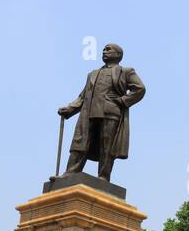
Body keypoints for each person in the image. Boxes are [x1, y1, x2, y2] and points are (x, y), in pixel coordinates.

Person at [56, 42, 146, 182]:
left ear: (118, 55)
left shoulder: (126, 71)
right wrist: (70, 109)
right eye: (103, 49)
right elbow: (83, 96)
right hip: (89, 112)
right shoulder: (92, 74)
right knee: (80, 142)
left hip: (110, 112)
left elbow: (140, 89)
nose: (104, 51)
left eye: (108, 49)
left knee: (107, 146)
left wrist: (122, 100)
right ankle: (70, 172)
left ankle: (103, 176)